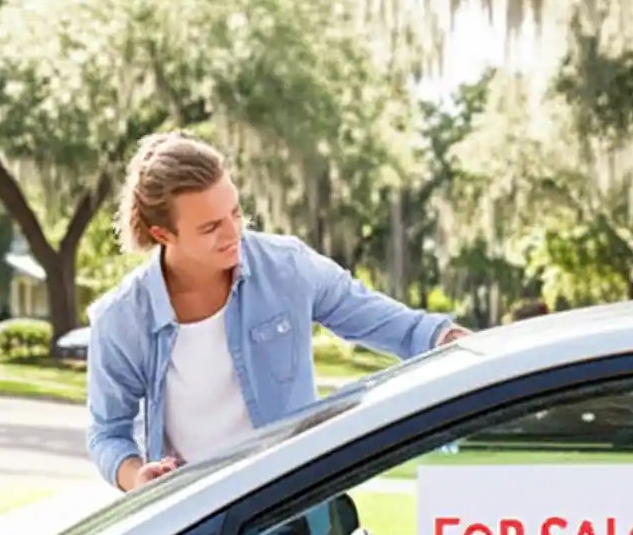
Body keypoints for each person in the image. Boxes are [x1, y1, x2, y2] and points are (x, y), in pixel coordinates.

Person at [86, 130, 468, 492]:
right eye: (210, 227)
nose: (232, 232)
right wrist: (137, 477)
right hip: (195, 523)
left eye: (235, 212)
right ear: (163, 235)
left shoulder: (287, 268)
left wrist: (449, 339)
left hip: (291, 501)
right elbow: (107, 433)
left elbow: (390, 323)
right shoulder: (121, 319)